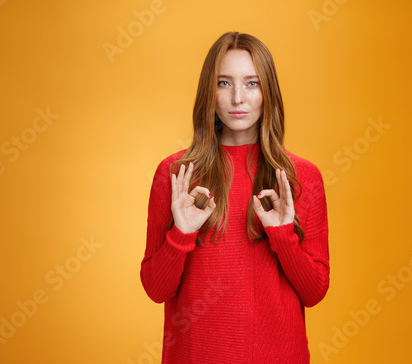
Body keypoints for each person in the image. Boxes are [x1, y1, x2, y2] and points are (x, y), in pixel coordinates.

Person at [140, 31, 330, 363]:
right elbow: (157, 290)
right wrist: (181, 234)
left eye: (252, 84)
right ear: (209, 92)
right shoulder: (175, 173)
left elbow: (314, 292)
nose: (238, 98)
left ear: (268, 92)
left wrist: (283, 236)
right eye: (224, 83)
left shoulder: (302, 177)